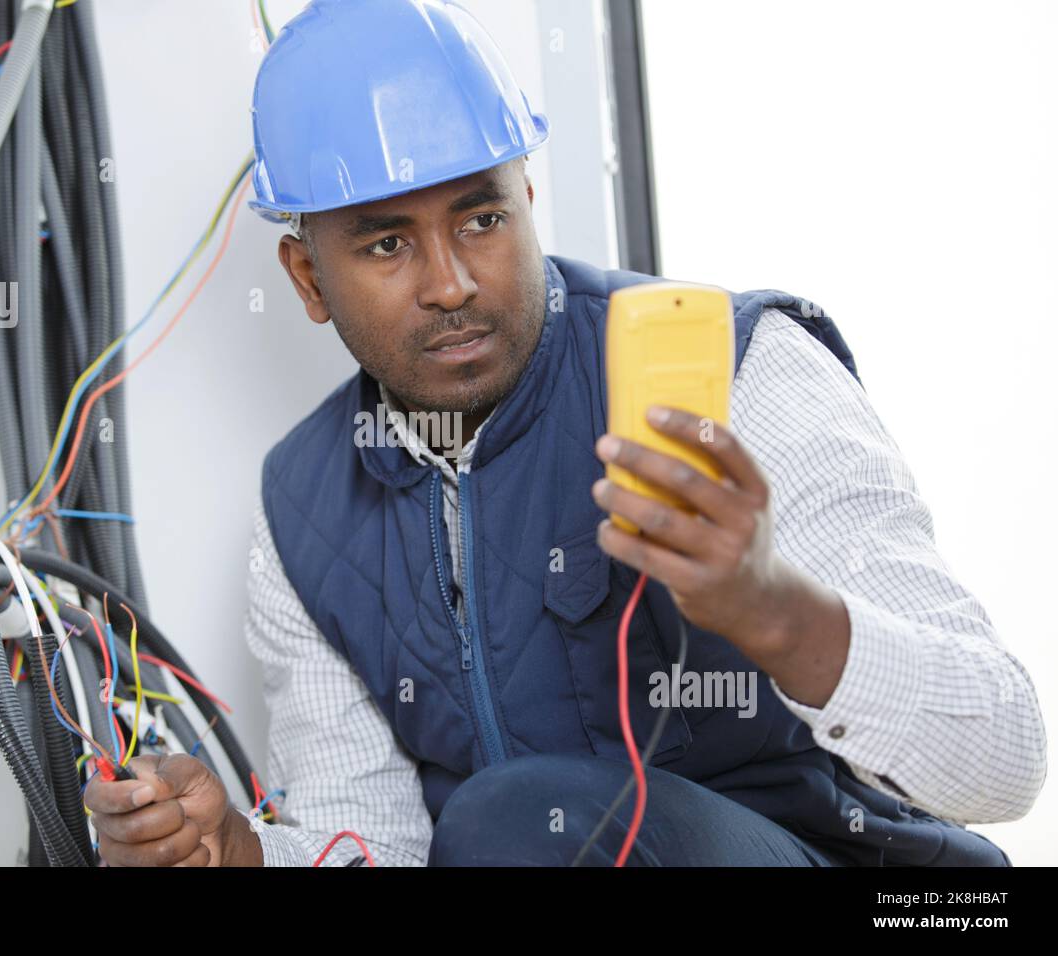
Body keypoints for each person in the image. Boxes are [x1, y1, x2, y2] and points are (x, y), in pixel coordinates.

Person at [83, 0, 1045, 867]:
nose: (452, 282)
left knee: (515, 817)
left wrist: (774, 610)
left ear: (527, 207)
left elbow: (1005, 760)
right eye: (386, 243)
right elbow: (375, 847)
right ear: (305, 279)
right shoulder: (301, 510)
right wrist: (242, 857)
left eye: (481, 217)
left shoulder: (745, 368)